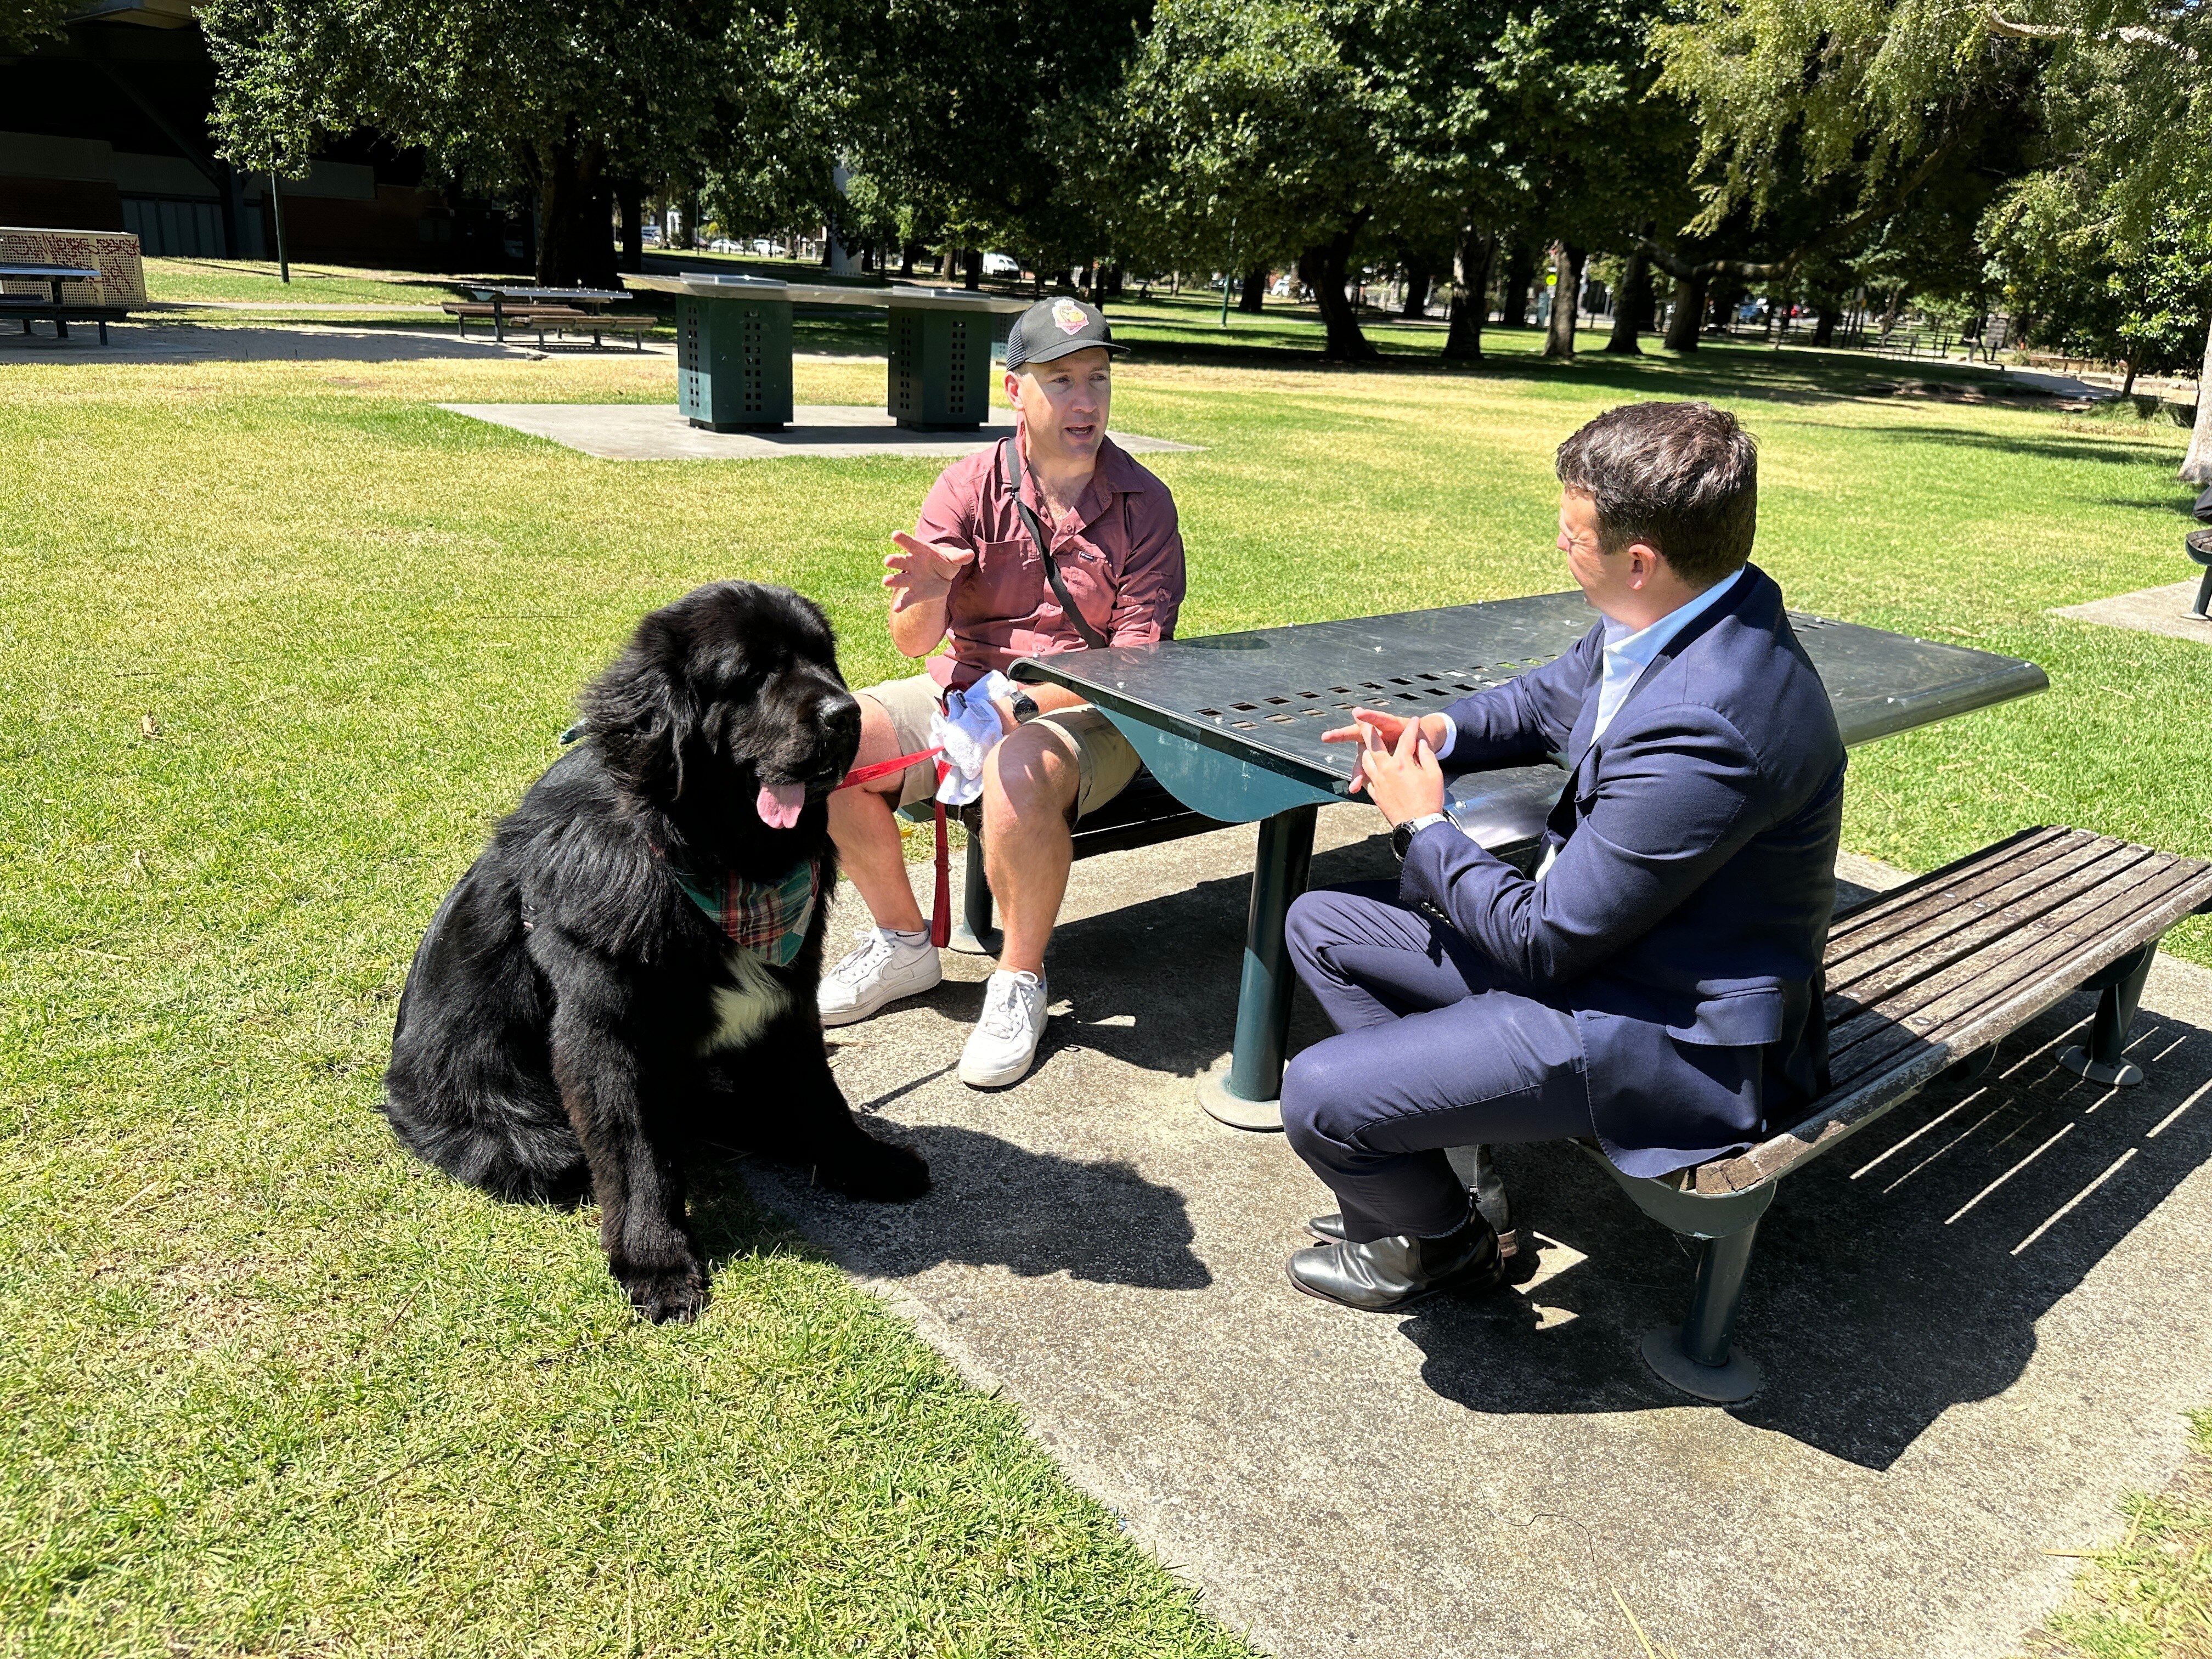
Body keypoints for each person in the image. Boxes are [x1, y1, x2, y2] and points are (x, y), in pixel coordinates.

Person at [1279, 400, 1847, 1312]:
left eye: (1573, 534)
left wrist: (1424, 825)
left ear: (1639, 560)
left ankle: (1444, 1247)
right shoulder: (1688, 611)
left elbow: (1543, 942)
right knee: (1323, 924)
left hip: (1659, 1030)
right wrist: (1436, 731)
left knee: (1316, 1096)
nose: (1559, 544)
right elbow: (1547, 700)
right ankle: (1438, 1173)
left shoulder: (1707, 722)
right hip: (1607, 955)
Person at [817, 296, 1187, 1088]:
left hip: (1093, 713)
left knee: (1015, 769)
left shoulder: (1144, 503)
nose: (1085, 401)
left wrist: (1018, 709)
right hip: (963, 691)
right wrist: (925, 595)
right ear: (1015, 390)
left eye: (1097, 378)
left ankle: (1019, 978)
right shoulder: (967, 485)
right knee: (832, 744)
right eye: (1062, 380)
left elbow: (1136, 668)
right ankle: (903, 944)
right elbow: (914, 643)